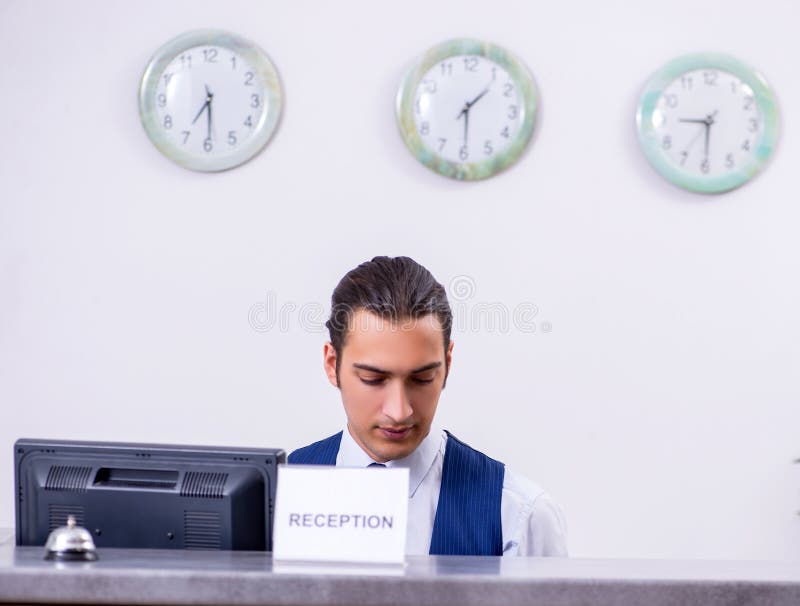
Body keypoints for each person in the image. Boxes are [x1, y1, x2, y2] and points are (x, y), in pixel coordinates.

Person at [289, 256, 567, 557]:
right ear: (332, 365)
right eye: (373, 379)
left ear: (447, 364)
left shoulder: (519, 516)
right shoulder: (280, 493)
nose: (399, 411)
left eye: (421, 379)